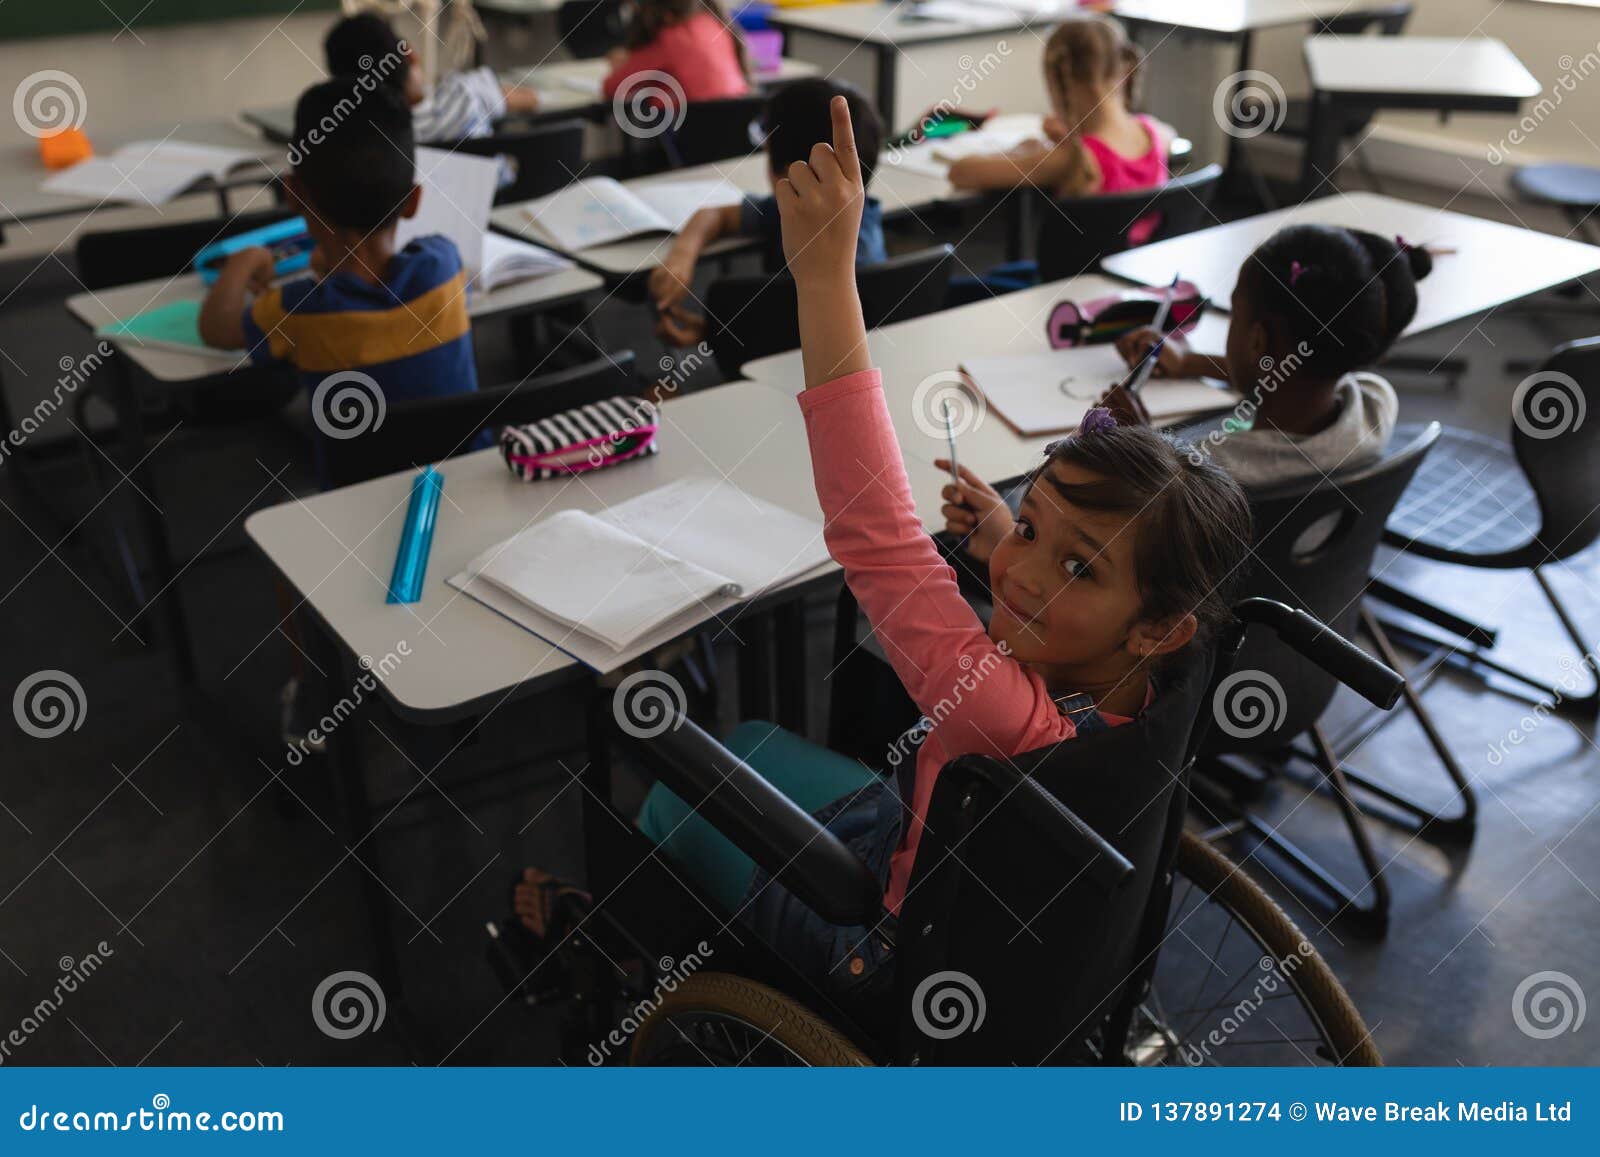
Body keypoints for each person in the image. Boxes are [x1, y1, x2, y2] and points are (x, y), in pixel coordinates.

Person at [517, 98, 1253, 995]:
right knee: (753, 738)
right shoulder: (1166, 681)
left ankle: (628, 962)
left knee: (677, 792)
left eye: (1076, 566)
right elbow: (1046, 577)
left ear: (1158, 627)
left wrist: (826, 278)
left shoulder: (999, 714)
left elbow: (877, 534)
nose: (1018, 568)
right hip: (999, 916)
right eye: (1030, 526)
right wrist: (1011, 547)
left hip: (876, 943)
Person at [198, 78, 482, 483]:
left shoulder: (299, 312)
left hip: (350, 501)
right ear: (414, 201)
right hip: (462, 484)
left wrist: (243, 261)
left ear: (292, 194)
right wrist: (333, 262)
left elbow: (215, 328)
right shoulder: (445, 266)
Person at [647, 78, 886, 347]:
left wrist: (717, 333)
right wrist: (681, 257)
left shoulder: (844, 272)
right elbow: (716, 215)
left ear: (790, 171)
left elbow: (791, 331)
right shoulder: (807, 212)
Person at [947, 13, 1171, 242]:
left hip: (1074, 266)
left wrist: (1025, 149)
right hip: (1139, 262)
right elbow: (1144, 140)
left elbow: (960, 172)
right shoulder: (1156, 134)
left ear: (1060, 80)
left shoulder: (1070, 159)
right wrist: (1069, 137)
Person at [325, 11, 539, 143]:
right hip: (497, 202)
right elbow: (531, 99)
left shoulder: (371, 138)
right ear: (410, 54)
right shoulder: (462, 94)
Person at [601, 0, 751, 105]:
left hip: (685, 135)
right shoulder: (713, 24)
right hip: (735, 133)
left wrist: (624, 66)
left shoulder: (666, 38)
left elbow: (612, 88)